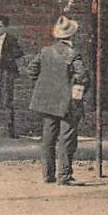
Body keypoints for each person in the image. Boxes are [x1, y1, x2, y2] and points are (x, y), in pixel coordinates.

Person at [27, 15, 90, 186]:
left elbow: (31, 70)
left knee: (48, 138)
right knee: (67, 138)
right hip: (66, 103)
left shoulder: (45, 51)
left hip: (47, 102)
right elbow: (82, 76)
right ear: (71, 35)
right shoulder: (73, 54)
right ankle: (64, 176)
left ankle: (48, 175)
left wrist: (46, 85)